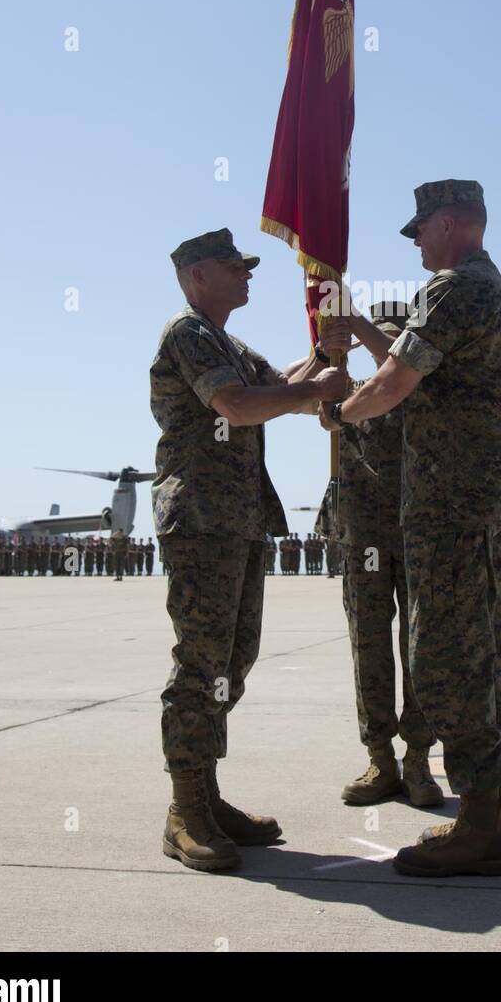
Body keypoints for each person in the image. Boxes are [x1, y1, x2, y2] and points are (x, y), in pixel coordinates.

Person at [320, 180, 501, 876]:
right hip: (477, 492)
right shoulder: (490, 289)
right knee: (480, 644)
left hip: (451, 497)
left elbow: (395, 380)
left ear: (447, 225)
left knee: (448, 653)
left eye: (420, 231)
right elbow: (416, 362)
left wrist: (344, 412)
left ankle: (477, 823)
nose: (415, 243)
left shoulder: (455, 287)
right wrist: (356, 329)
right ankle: (491, 809)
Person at [151, 227, 348, 873]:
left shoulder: (229, 343)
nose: (250, 276)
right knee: (200, 662)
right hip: (201, 518)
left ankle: (207, 794)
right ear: (199, 274)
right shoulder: (188, 333)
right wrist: (315, 389)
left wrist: (324, 352)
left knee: (234, 659)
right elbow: (238, 406)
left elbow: (278, 388)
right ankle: (185, 811)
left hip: (236, 520)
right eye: (238, 267)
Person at [328, 300, 442, 810]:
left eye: (395, 341)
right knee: (368, 645)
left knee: (419, 648)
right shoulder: (348, 394)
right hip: (363, 537)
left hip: (417, 533)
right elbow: (321, 411)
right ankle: (380, 757)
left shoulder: (423, 386)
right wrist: (329, 350)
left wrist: (362, 329)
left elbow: (397, 369)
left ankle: (418, 759)